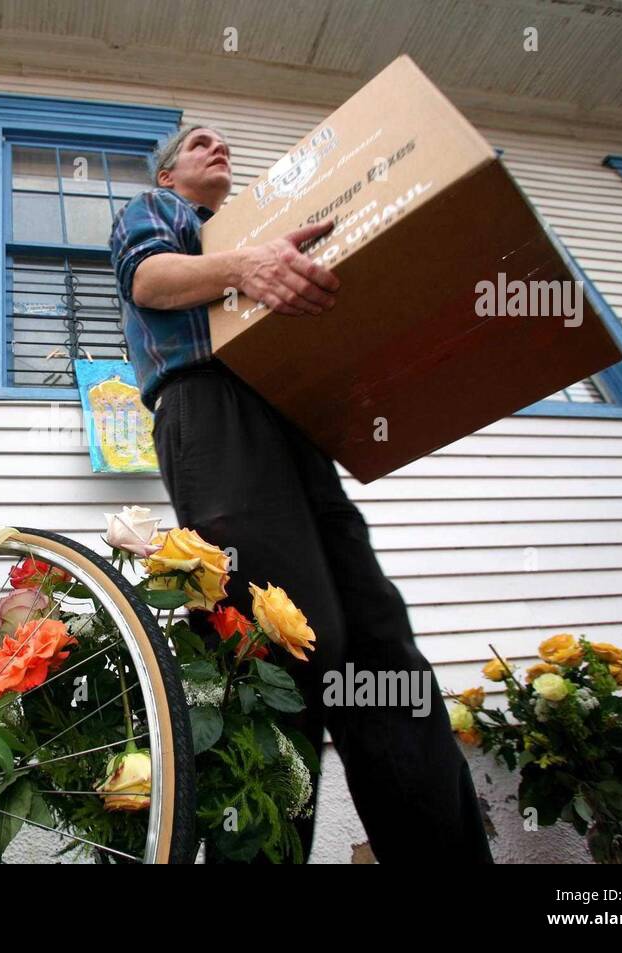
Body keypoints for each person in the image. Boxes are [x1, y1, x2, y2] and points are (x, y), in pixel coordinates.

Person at [109, 126, 493, 863]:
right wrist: (246, 265)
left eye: (223, 141)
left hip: (294, 419)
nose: (217, 144)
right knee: (276, 636)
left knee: (376, 646)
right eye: (197, 142)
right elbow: (149, 279)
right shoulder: (157, 211)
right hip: (211, 409)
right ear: (168, 171)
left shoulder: (252, 233)